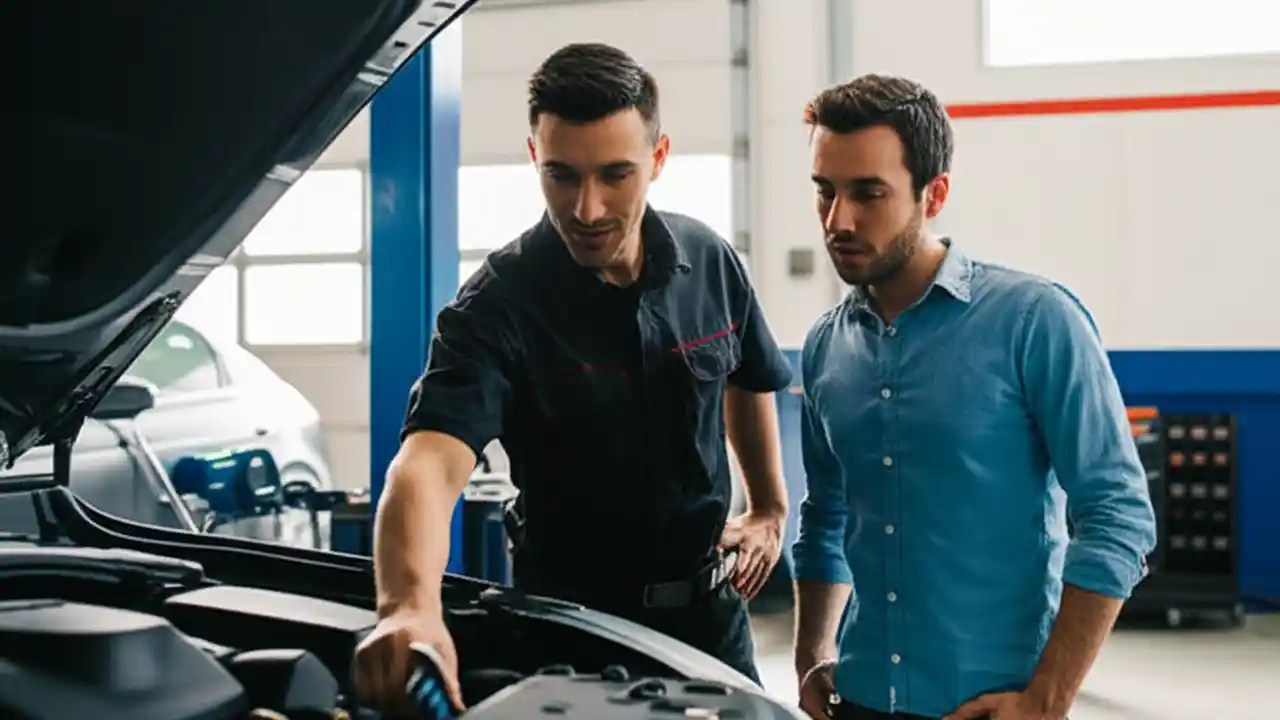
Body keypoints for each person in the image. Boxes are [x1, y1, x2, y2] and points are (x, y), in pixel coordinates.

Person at [352, 42, 794, 715]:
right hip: (571, 630)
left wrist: (768, 506)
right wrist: (409, 606)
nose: (587, 208)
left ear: (659, 158)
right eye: (562, 175)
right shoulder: (496, 308)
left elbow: (751, 373)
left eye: (615, 175)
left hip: (710, 622)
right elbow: (427, 466)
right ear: (535, 157)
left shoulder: (709, 261)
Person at [789, 74, 1158, 720]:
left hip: (990, 707)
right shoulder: (825, 347)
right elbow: (824, 516)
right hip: (860, 701)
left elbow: (1117, 514)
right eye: (825, 191)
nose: (837, 220)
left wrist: (1047, 698)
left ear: (934, 194)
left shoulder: (1034, 321)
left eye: (868, 193)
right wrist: (810, 653)